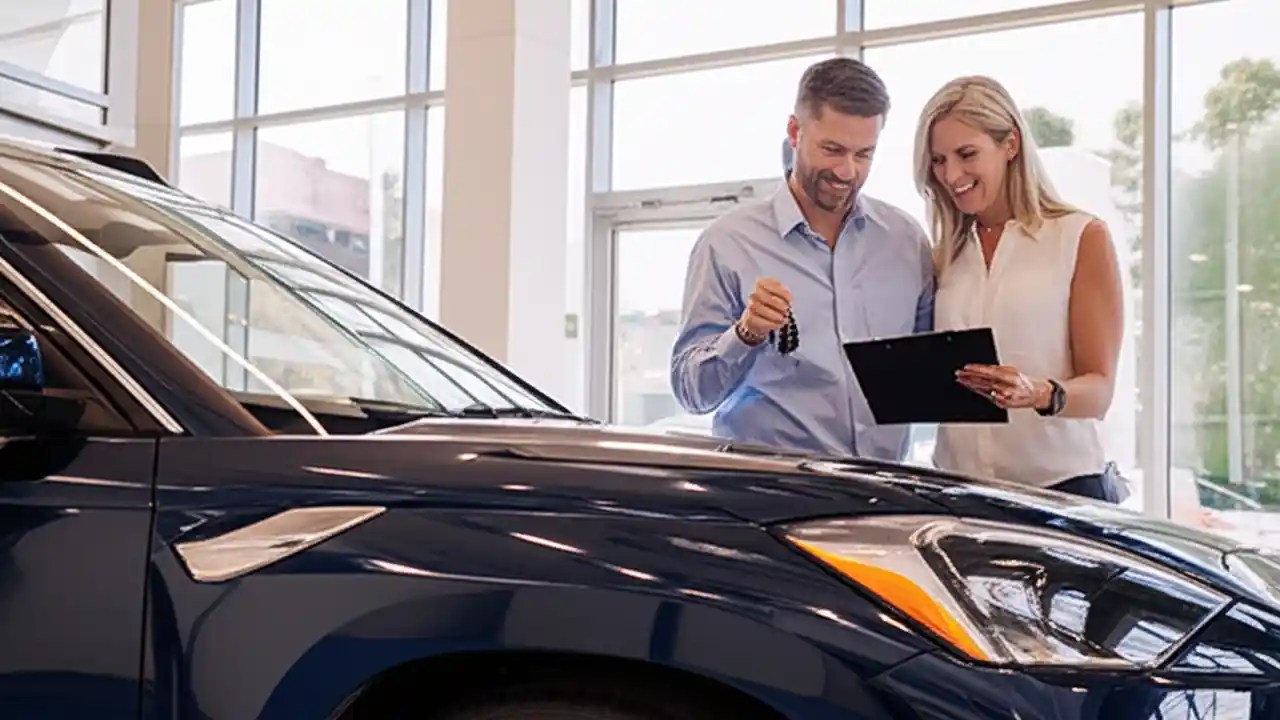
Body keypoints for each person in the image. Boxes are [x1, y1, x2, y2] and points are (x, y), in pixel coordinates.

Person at [669, 57, 935, 460]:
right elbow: (692, 392)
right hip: (771, 495)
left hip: (885, 494)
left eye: (864, 154)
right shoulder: (728, 244)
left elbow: (929, 375)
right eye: (833, 149)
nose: (847, 171)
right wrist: (744, 335)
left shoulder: (906, 242)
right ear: (795, 131)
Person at [912, 75, 1126, 502]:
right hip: (961, 494)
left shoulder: (1080, 237)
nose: (951, 174)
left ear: (1010, 144)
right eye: (938, 161)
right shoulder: (943, 256)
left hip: (1062, 494)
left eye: (966, 154)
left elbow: (1100, 390)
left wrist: (1037, 392)